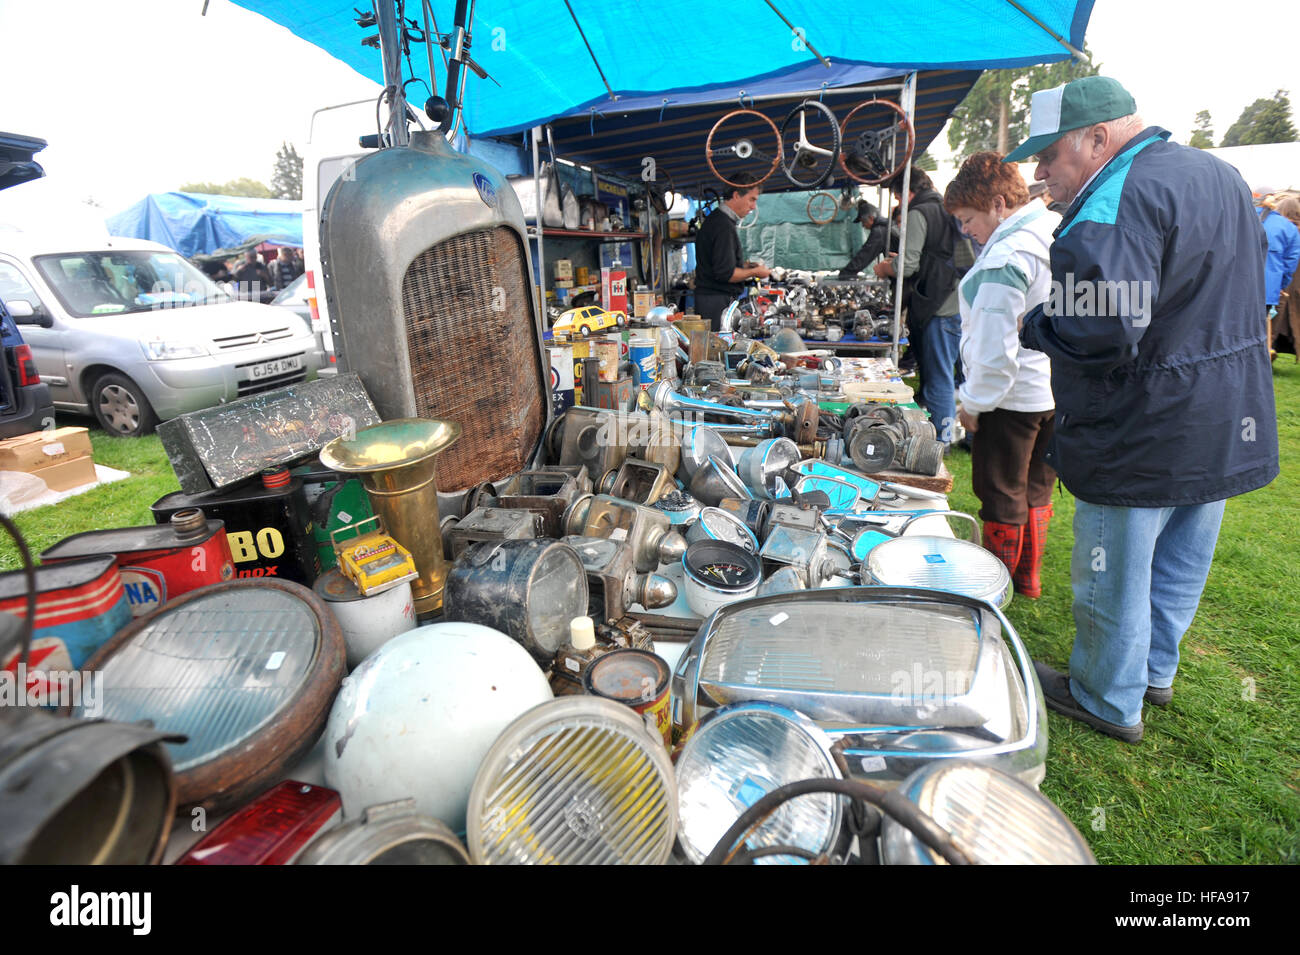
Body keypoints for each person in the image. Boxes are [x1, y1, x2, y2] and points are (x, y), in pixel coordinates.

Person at [1007, 75, 1279, 742]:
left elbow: (1102, 322)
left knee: (1115, 569)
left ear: (1099, 139)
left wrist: (1037, 323)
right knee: (1182, 553)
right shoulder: (1218, 173)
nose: (1041, 174)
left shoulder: (1114, 197)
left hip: (1143, 420)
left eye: (1050, 156)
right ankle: (1154, 669)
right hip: (1221, 411)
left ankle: (1106, 693)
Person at [944, 152, 1060, 598]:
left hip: (1011, 396)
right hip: (1050, 388)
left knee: (1001, 491)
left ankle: (992, 589)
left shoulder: (1006, 254)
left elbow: (995, 347)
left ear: (997, 204)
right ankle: (1027, 579)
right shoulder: (1051, 229)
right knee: (1036, 485)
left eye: (968, 218)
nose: (965, 230)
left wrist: (974, 402)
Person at [874, 166, 964, 444]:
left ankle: (943, 440)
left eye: (899, 198)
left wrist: (886, 267)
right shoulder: (944, 206)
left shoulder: (918, 212)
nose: (900, 204)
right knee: (945, 376)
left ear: (907, 192)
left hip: (939, 305)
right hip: (955, 299)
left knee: (939, 380)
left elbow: (908, 265)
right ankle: (947, 434)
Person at [694, 174, 771, 331]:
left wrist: (745, 266)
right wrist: (756, 271)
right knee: (716, 350)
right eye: (752, 199)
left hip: (713, 300)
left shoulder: (720, 221)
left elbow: (720, 263)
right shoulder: (722, 225)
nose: (753, 206)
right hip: (715, 303)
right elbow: (726, 273)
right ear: (736, 195)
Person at [1254, 186, 1300, 362]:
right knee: (1260, 329)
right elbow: (1290, 263)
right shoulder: (1287, 228)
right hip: (1268, 287)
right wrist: (1280, 284)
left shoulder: (1237, 216)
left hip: (1233, 285)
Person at [838, 200, 893, 279]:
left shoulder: (879, 232)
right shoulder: (886, 226)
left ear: (871, 218)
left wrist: (847, 272)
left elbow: (865, 255)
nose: (863, 226)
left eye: (863, 222)